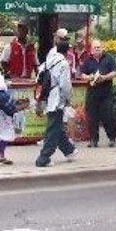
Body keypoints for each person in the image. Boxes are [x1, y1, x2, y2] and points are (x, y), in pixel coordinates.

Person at [34, 30, 76, 167]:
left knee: (56, 126)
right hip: (57, 99)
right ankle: (43, 158)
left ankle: (69, 150)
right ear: (66, 51)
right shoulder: (64, 63)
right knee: (53, 129)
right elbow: (65, 85)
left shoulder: (50, 59)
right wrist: (68, 98)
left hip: (49, 96)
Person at [80, 38, 116, 147]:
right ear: (91, 50)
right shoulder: (88, 60)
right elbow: (82, 75)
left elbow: (115, 72)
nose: (97, 49)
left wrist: (105, 77)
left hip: (106, 93)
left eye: (99, 47)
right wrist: (90, 77)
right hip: (92, 93)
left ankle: (112, 138)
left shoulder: (109, 58)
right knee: (92, 117)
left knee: (108, 116)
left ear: (102, 48)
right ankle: (93, 139)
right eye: (95, 48)